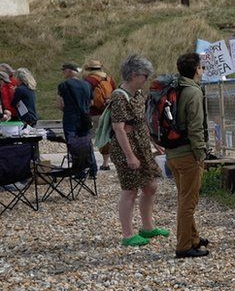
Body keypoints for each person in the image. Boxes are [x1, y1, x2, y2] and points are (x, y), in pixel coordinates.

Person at [110, 55, 168, 247]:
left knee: (150, 186)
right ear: (134, 74)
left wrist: (153, 141)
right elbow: (119, 128)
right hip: (128, 149)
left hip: (142, 147)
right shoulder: (119, 97)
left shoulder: (138, 94)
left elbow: (141, 122)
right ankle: (128, 234)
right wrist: (129, 156)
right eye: (144, 75)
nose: (146, 78)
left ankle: (148, 227)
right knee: (130, 190)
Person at [166, 52, 209, 259]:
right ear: (196, 69)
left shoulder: (174, 87)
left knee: (184, 198)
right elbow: (195, 127)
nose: (202, 71)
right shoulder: (193, 91)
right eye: (201, 67)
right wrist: (200, 154)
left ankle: (193, 237)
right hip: (188, 154)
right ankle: (184, 246)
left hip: (172, 153)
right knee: (188, 203)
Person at [57, 62, 98, 176]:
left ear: (69, 71)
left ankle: (79, 171)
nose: (63, 73)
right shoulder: (87, 85)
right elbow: (91, 102)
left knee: (73, 144)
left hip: (71, 117)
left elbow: (60, 104)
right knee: (86, 142)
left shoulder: (64, 85)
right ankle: (93, 168)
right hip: (85, 116)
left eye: (64, 70)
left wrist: (68, 110)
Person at [82, 59, 117, 171]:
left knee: (90, 137)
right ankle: (106, 162)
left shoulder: (89, 80)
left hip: (94, 113)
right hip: (109, 111)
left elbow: (86, 97)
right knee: (107, 136)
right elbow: (115, 94)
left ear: (88, 69)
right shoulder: (109, 78)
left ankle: (91, 162)